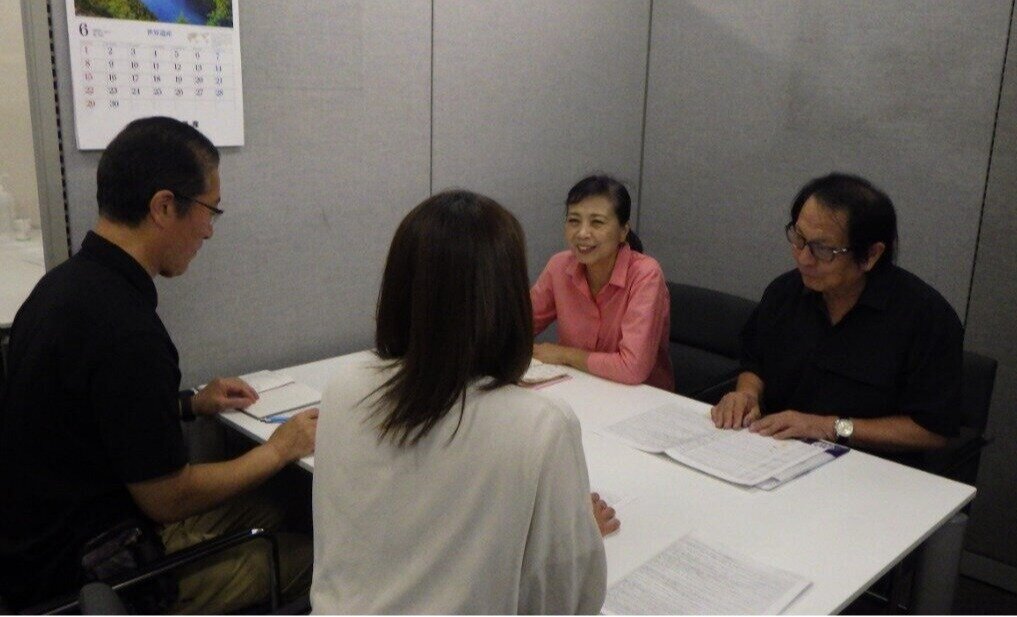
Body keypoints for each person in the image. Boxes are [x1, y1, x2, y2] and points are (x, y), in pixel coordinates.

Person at [0, 117, 317, 613]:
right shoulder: (126, 329)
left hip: (44, 546)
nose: (209, 230)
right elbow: (169, 500)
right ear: (164, 206)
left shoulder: (63, 288)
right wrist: (280, 448)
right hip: (95, 578)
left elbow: (95, 417)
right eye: (210, 210)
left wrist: (190, 405)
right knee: (312, 556)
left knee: (276, 504)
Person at [310, 190, 615, 614]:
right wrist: (579, 535)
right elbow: (566, 601)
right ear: (507, 298)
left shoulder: (345, 385)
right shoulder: (541, 425)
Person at [711, 173, 963, 463]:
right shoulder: (785, 292)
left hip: (870, 470)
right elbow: (754, 361)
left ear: (871, 255)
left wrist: (828, 427)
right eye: (799, 238)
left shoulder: (925, 318)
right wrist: (746, 395)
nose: (804, 258)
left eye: (823, 249)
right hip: (774, 455)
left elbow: (933, 430)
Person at [530, 175, 674, 390]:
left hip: (639, 397)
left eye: (597, 222)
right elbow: (518, 325)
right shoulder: (559, 266)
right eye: (574, 221)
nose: (582, 233)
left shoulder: (645, 275)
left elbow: (632, 368)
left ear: (623, 231)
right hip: (577, 387)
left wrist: (564, 354)